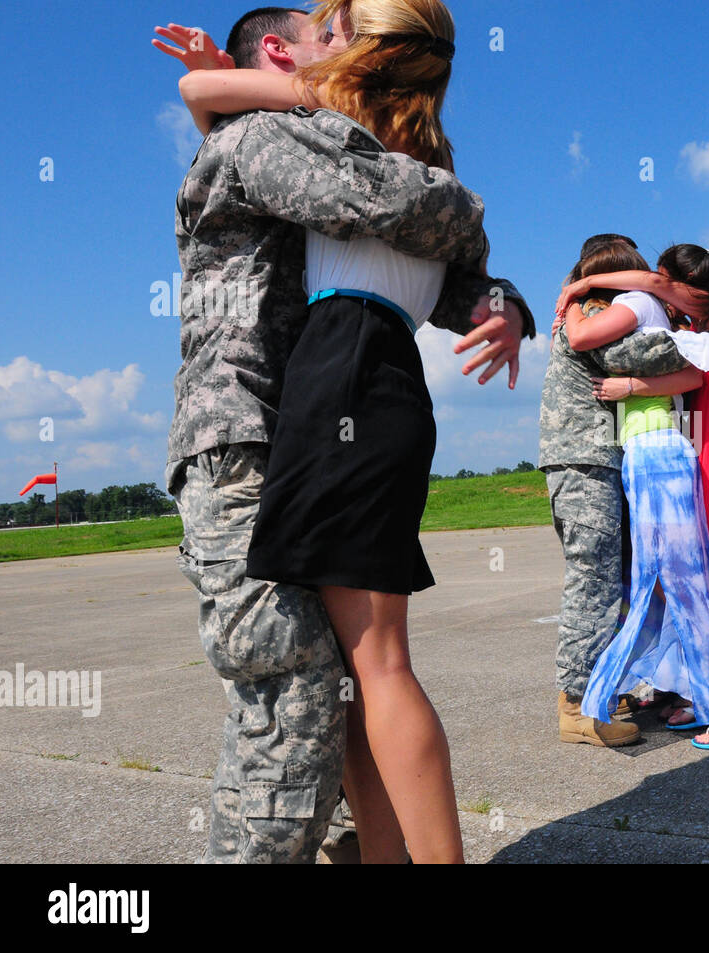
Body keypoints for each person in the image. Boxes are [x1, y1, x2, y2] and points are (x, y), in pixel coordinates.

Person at [156, 6, 530, 863]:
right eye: (330, 35)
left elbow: (420, 262)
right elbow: (385, 199)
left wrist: (501, 301)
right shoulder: (262, 142)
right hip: (241, 439)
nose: (346, 46)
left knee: (324, 688)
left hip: (318, 420)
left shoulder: (324, 143)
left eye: (354, 32)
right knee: (291, 698)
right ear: (285, 57)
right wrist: (464, 207)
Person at [555, 245, 709, 729]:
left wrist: (579, 288)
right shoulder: (694, 331)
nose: (655, 286)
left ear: (680, 281)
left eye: (661, 278)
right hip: (701, 438)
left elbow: (661, 311)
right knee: (708, 559)